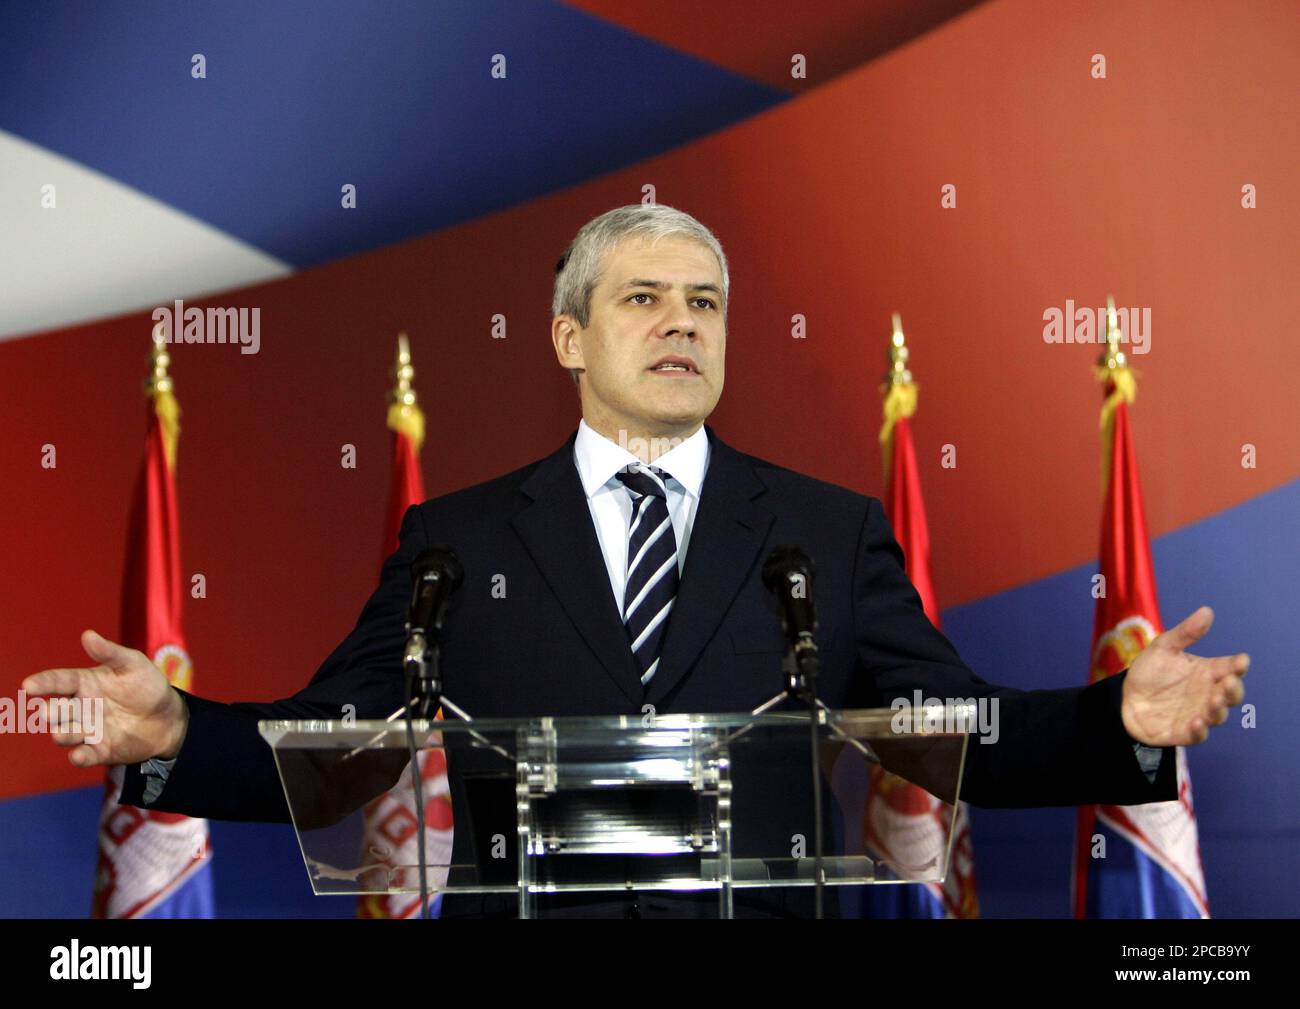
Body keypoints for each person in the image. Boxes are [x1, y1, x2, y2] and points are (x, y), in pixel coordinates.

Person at [24, 204, 1248, 918]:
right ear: (569, 334)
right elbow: (338, 749)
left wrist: (1115, 723)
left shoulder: (821, 527)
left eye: (705, 303)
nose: (680, 322)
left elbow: (942, 725)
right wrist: (177, 731)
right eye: (644, 298)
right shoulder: (458, 537)